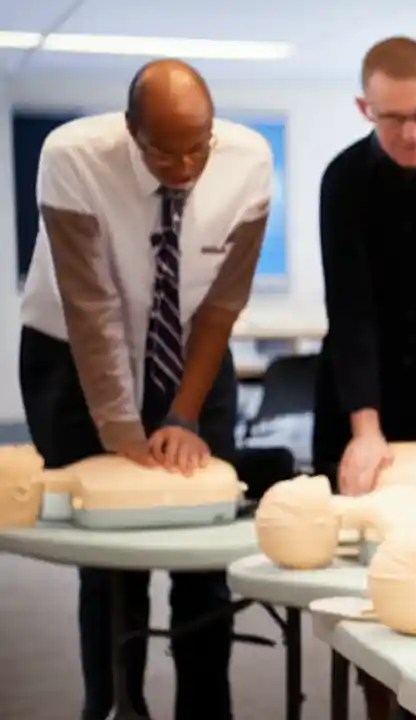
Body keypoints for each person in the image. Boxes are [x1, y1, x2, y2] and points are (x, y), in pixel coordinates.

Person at [18, 59, 272, 720]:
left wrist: (184, 414)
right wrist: (124, 434)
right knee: (109, 555)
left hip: (189, 344)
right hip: (71, 354)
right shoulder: (73, 156)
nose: (186, 166)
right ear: (132, 132)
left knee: (202, 547)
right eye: (166, 150)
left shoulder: (248, 162)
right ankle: (114, 705)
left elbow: (221, 307)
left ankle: (205, 710)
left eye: (199, 146)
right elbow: (91, 307)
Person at [314, 36, 416, 497]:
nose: (411, 134)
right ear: (364, 108)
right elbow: (350, 309)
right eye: (393, 118)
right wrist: (366, 429)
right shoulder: (342, 179)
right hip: (359, 392)